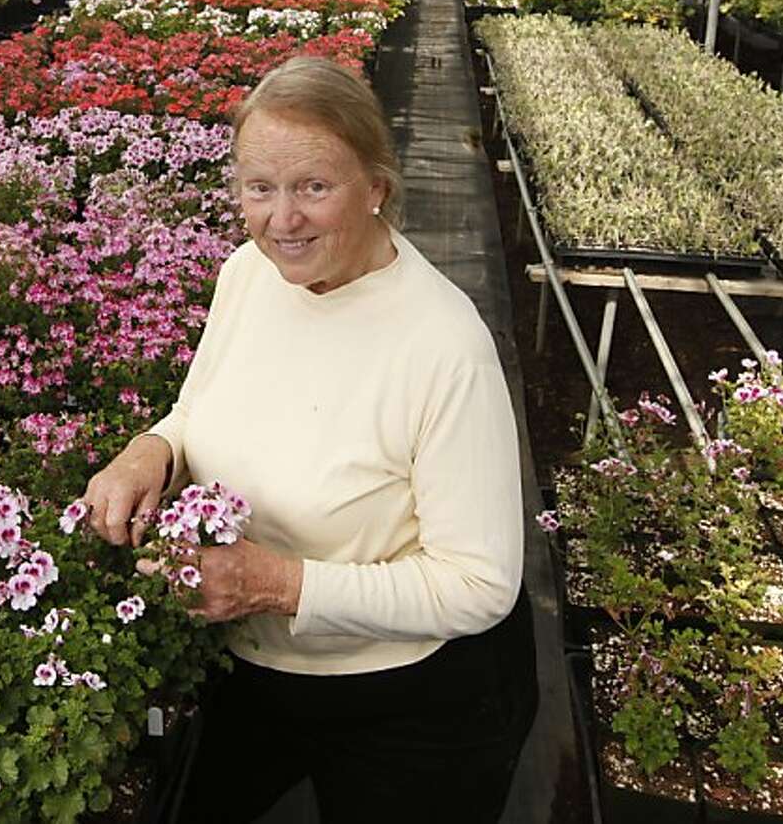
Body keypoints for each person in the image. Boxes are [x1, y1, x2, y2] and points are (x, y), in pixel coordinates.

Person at [81, 56, 536, 823]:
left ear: (376, 188)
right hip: (253, 665)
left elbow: (479, 584)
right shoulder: (249, 276)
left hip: (410, 703)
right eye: (259, 187)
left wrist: (280, 585)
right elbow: (199, 409)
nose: (281, 220)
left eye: (313, 187)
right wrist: (150, 449)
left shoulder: (443, 344)